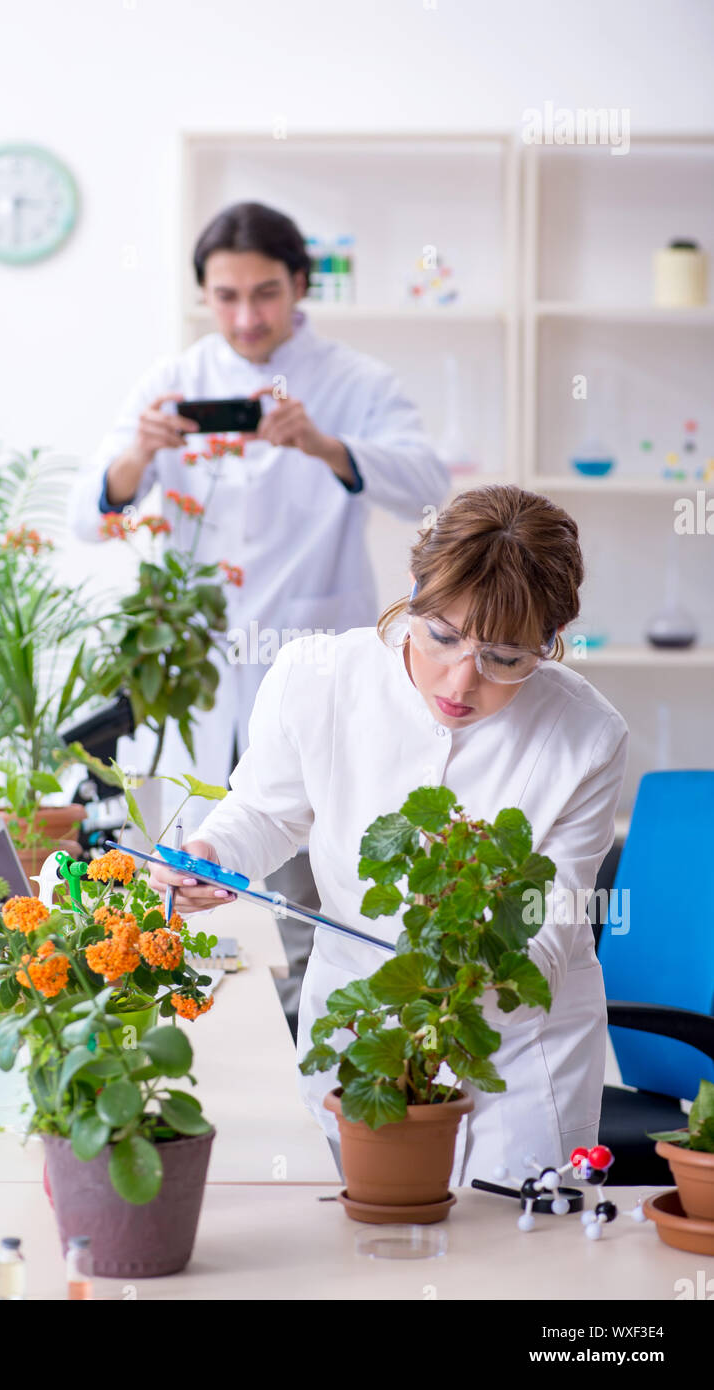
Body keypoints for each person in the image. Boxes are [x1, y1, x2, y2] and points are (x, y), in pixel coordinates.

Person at [146, 485, 630, 1187]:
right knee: (362, 1252)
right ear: (412, 594)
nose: (462, 681)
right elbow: (264, 812)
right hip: (360, 1029)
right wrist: (213, 857)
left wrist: (454, 970)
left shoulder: (585, 734)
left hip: (518, 1054)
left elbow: (550, 918)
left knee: (510, 1260)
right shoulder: (317, 678)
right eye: (441, 637)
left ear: (550, 642)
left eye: (505, 659)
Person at [69, 201, 449, 1023]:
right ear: (203, 292)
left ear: (302, 284)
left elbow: (430, 490)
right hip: (200, 674)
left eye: (266, 294)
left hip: (315, 656)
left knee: (315, 879)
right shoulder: (173, 381)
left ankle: (318, 1059)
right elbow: (84, 516)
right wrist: (139, 454)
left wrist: (323, 445)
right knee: (195, 874)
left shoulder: (355, 382)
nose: (247, 316)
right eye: (227, 295)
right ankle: (214, 1060)